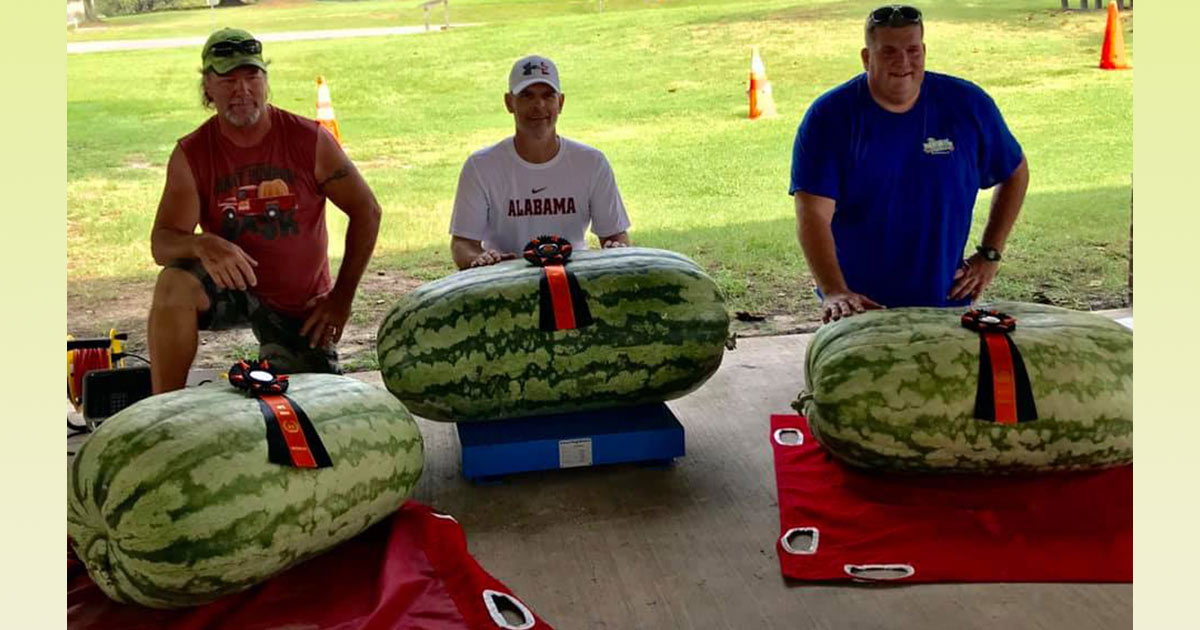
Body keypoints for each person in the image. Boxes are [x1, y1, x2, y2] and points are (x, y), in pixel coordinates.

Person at [147, 28, 383, 393]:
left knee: (316, 410)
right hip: (230, 288)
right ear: (208, 87)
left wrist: (341, 298)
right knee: (172, 284)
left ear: (265, 81)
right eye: (227, 79)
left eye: (252, 76)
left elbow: (367, 210)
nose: (242, 91)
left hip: (298, 304)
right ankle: (163, 409)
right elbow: (162, 243)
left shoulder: (311, 140)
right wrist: (202, 244)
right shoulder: (191, 154)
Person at [791, 5, 1029, 323]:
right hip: (861, 307)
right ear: (866, 58)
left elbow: (1015, 172)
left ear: (924, 51)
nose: (903, 62)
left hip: (947, 303)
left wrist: (990, 254)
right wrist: (835, 291)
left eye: (912, 50)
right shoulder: (829, 118)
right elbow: (813, 216)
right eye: (888, 51)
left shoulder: (967, 105)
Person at [449, 54, 632, 269]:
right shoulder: (480, 167)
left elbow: (615, 235)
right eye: (527, 96)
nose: (539, 105)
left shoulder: (592, 162)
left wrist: (618, 250)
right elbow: (462, 243)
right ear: (509, 103)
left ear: (561, 102)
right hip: (503, 284)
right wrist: (478, 260)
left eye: (548, 96)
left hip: (574, 281)